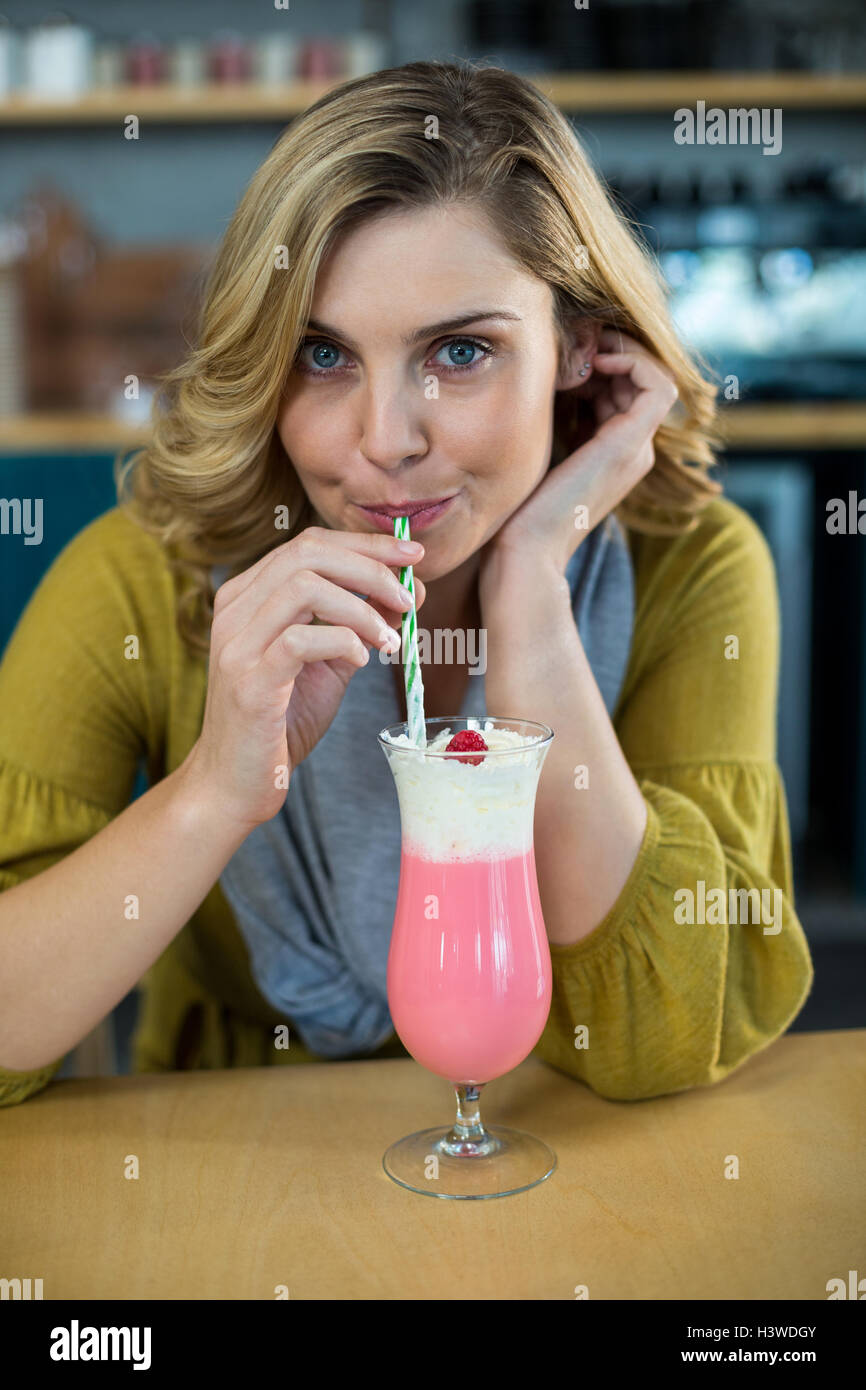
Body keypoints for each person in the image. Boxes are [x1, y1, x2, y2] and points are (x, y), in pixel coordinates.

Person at [0, 60, 812, 1106]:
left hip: (563, 1173)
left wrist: (529, 598)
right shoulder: (143, 584)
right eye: (322, 356)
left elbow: (666, 1033)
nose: (385, 442)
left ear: (578, 347)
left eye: (460, 350)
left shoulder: (691, 571)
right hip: (231, 1189)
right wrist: (213, 790)